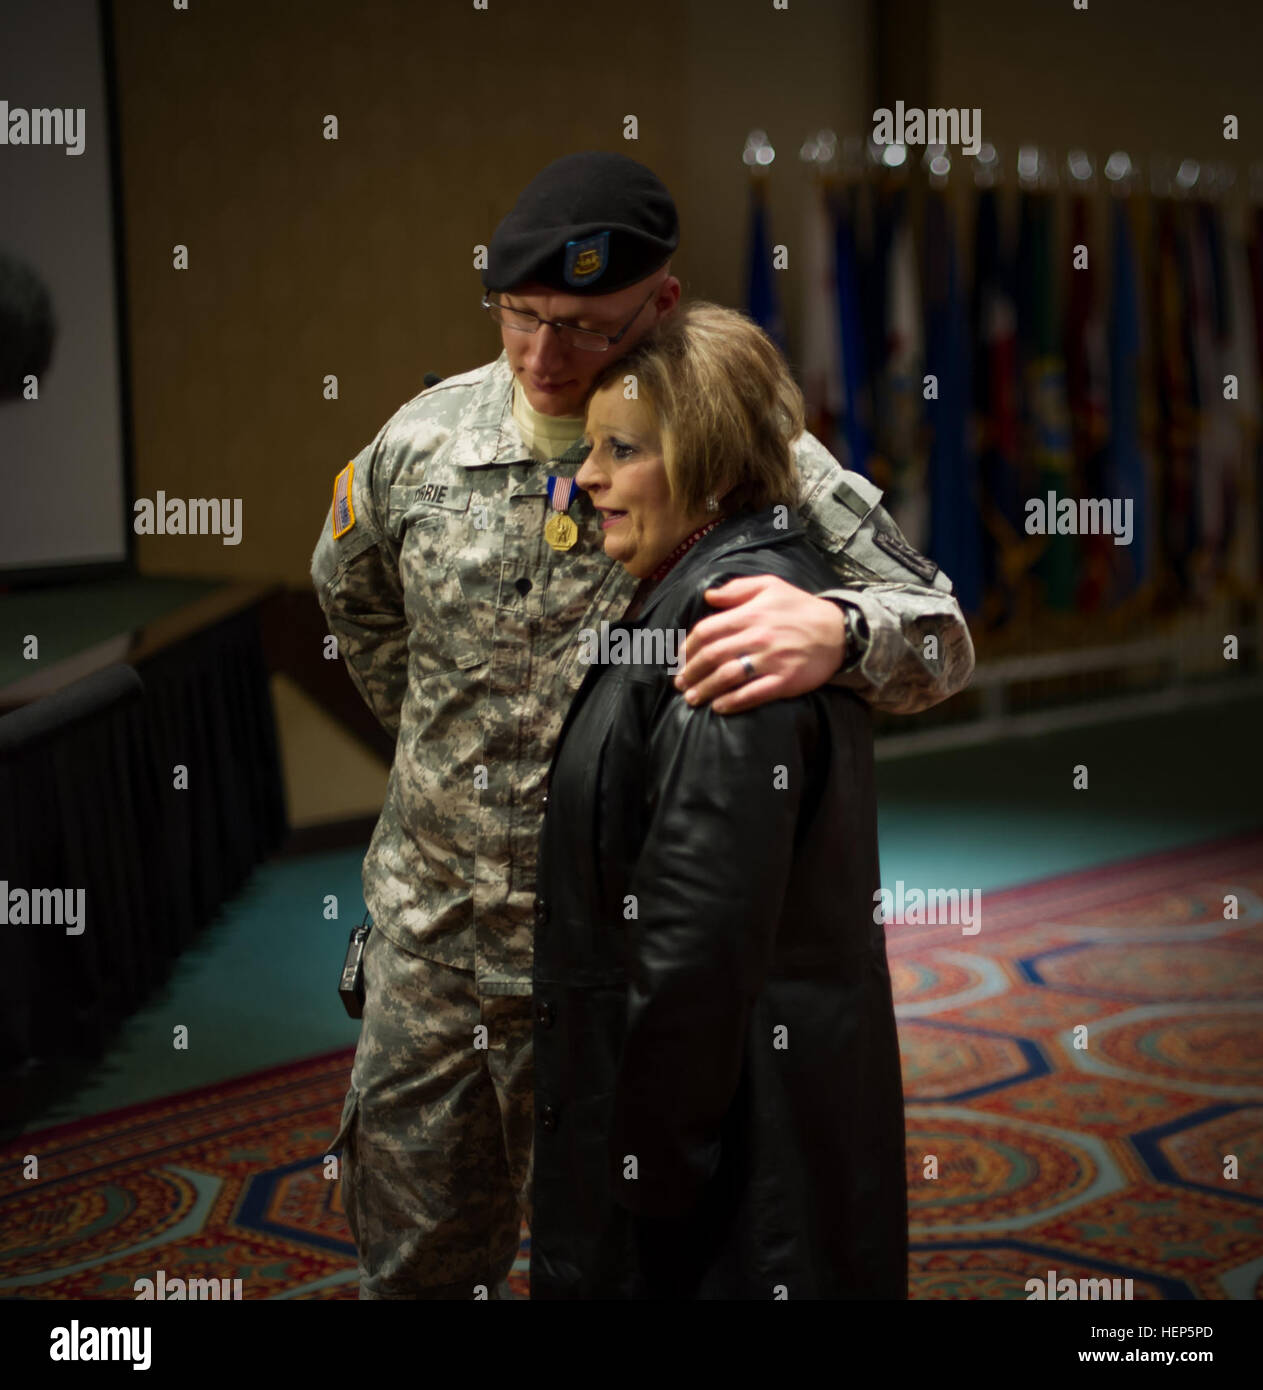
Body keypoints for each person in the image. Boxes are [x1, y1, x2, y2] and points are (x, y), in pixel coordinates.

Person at [311, 150, 971, 1300]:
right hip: (433, 953)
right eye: (520, 318)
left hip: (606, 972)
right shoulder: (424, 439)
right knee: (413, 1270)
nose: (544, 358)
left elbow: (941, 631)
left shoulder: (731, 439)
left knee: (611, 1266)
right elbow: (351, 598)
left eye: (584, 325)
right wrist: (443, 756)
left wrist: (839, 628)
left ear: (662, 303)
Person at [530, 302, 906, 1299]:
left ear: (700, 459)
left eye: (622, 451)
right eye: (588, 448)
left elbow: (699, 942)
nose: (589, 479)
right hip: (739, 1137)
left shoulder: (732, 622)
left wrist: (643, 1177)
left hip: (730, 1186)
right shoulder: (705, 587)